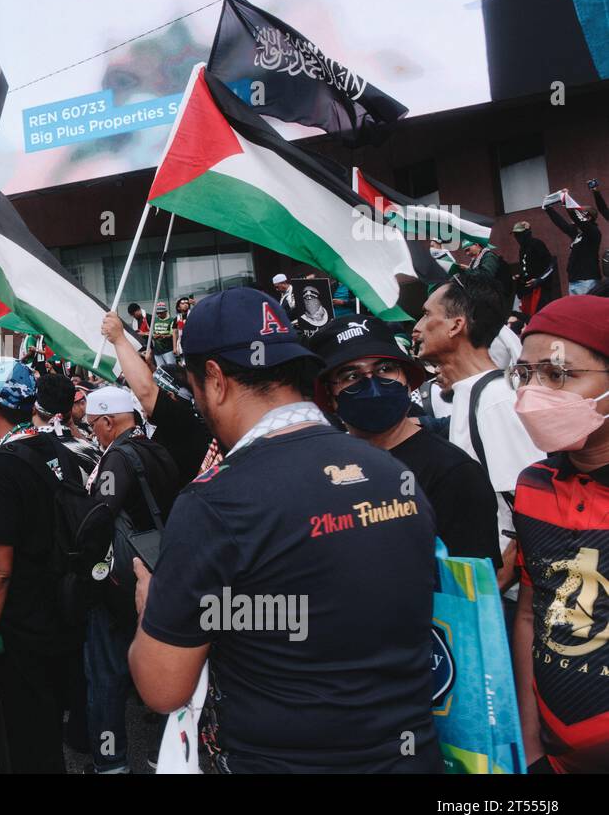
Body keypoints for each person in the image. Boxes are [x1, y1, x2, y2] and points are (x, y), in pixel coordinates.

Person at [131, 287, 442, 773]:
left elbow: (162, 688)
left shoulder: (215, 502)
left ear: (213, 379)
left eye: (192, 388)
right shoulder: (393, 475)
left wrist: (155, 606)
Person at [0, 358, 80, 773]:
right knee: (45, 742)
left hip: (20, 635)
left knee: (23, 748)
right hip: (61, 618)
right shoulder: (55, 447)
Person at [509, 295, 609, 773]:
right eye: (525, 374)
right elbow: (532, 615)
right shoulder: (531, 486)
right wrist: (533, 750)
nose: (534, 392)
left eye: (558, 374)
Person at [309, 314, 500, 564]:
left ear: (408, 381)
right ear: (329, 396)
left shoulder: (451, 472)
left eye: (385, 369)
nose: (373, 385)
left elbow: (470, 590)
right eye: (351, 376)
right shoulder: (322, 470)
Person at [412, 272, 545, 590]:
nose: (416, 327)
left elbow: (527, 509)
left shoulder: (495, 402)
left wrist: (488, 595)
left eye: (427, 314)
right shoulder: (471, 396)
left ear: (456, 325)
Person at [76, 385, 180, 774]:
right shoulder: (159, 448)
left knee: (106, 676)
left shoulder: (118, 457)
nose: (93, 433)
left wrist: (85, 561)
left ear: (108, 420)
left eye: (94, 425)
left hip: (121, 580)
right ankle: (166, 752)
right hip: (161, 569)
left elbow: (99, 514)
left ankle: (111, 762)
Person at [101, 310, 213, 481]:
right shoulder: (188, 418)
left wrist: (119, 339)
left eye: (159, 391)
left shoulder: (181, 420)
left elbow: (146, 391)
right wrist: (150, 367)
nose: (142, 403)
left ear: (171, 396)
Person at [543, 184, 604, 295]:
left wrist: (566, 200)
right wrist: (548, 208)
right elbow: (562, 224)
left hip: (587, 281)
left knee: (586, 312)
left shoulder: (594, 233)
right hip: (574, 281)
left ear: (588, 217)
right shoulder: (577, 233)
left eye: (580, 213)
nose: (574, 218)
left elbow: (577, 218)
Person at [514, 221, 561, 315]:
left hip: (540, 288)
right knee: (527, 318)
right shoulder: (522, 249)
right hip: (527, 290)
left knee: (541, 315)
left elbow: (551, 265)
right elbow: (526, 266)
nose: (517, 237)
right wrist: (521, 276)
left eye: (519, 234)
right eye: (515, 234)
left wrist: (539, 279)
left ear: (527, 233)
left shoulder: (537, 244)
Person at [148, 300, 177, 367]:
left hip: (168, 350)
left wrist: (163, 336)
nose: (159, 315)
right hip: (157, 350)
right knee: (160, 368)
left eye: (161, 313)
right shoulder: (154, 320)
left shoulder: (171, 320)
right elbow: (151, 332)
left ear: (165, 311)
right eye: (157, 313)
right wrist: (153, 336)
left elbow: (173, 334)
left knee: (171, 367)